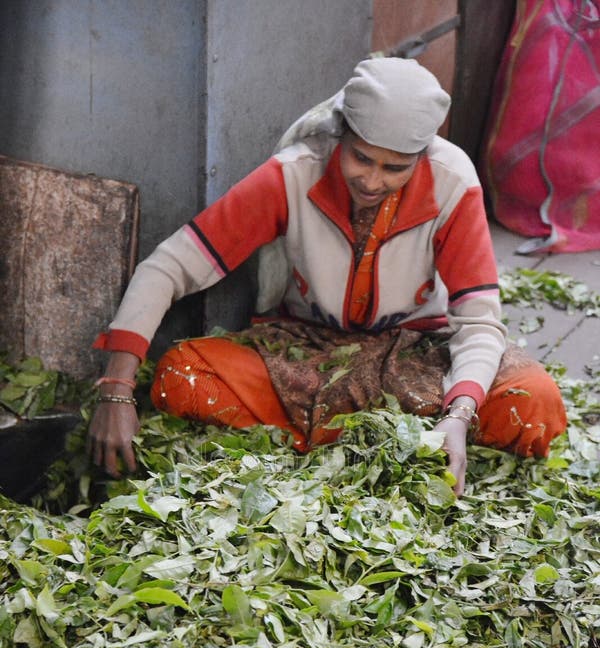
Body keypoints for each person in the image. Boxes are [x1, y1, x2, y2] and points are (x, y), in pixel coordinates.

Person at [89, 57, 567, 496]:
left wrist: (460, 415)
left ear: (421, 157)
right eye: (361, 158)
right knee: (182, 377)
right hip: (311, 355)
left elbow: (479, 323)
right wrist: (116, 389)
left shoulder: (453, 184)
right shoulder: (294, 174)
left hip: (419, 354)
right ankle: (387, 439)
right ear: (340, 136)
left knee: (536, 404)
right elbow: (168, 266)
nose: (373, 180)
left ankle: (390, 435)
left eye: (395, 168)